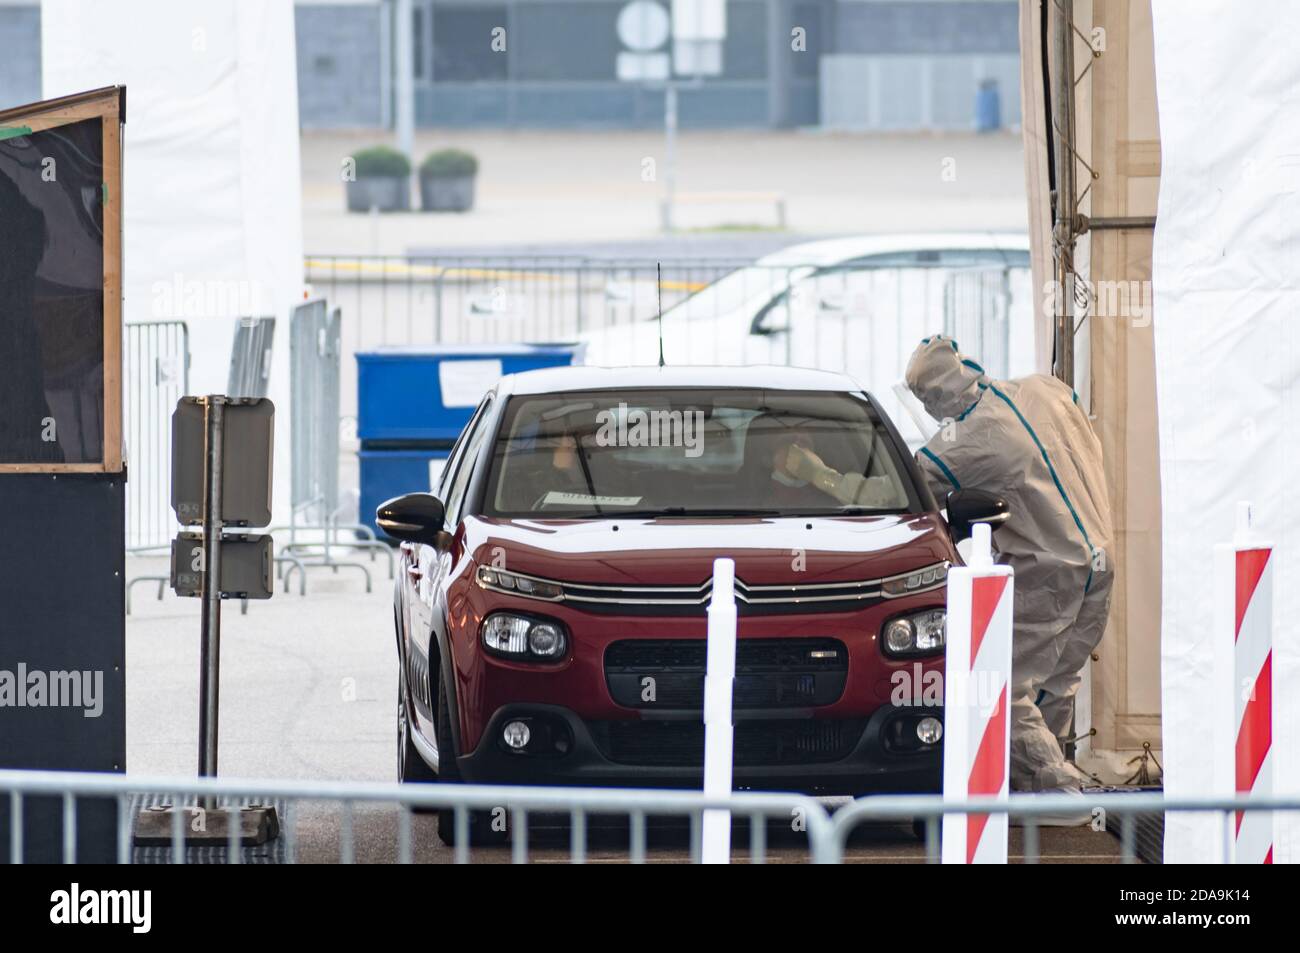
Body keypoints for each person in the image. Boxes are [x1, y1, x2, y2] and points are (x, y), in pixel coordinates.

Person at [905, 335, 1114, 798]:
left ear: (935, 393)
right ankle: (1035, 783)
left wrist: (819, 474)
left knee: (1005, 683)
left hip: (1049, 571)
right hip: (1099, 558)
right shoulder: (1042, 389)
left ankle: (1058, 793)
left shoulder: (963, 442)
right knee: (1057, 682)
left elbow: (908, 493)